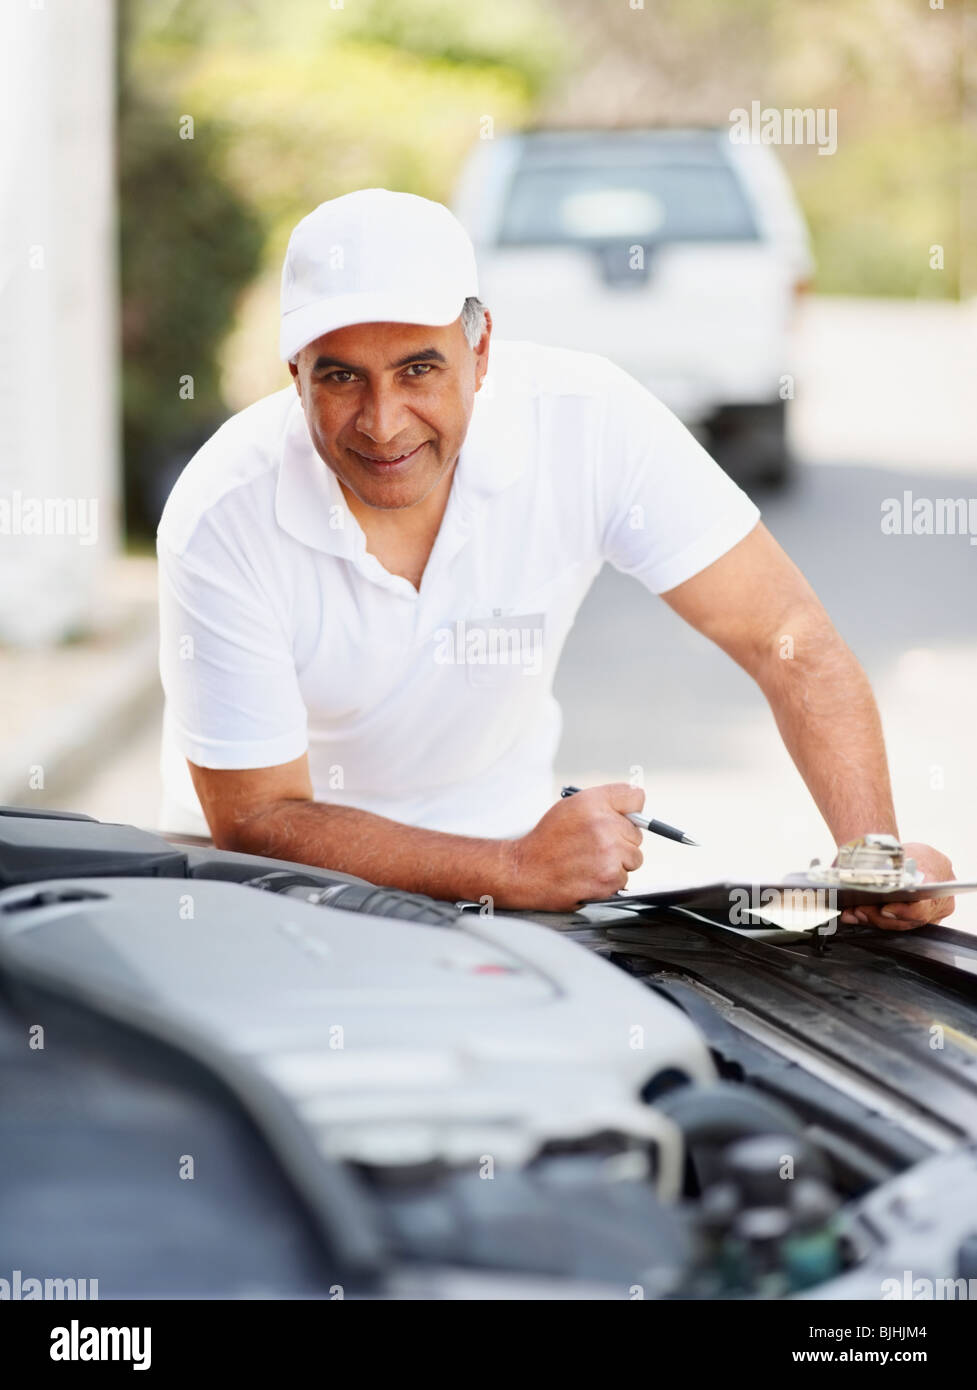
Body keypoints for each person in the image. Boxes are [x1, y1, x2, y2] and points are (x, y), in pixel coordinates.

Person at [156, 187, 953, 924]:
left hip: (502, 884)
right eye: (340, 378)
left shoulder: (590, 421)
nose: (383, 422)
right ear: (294, 376)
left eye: (418, 369)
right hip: (273, 894)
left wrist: (872, 861)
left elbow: (785, 638)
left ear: (481, 349)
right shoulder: (220, 513)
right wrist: (510, 865)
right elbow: (258, 818)